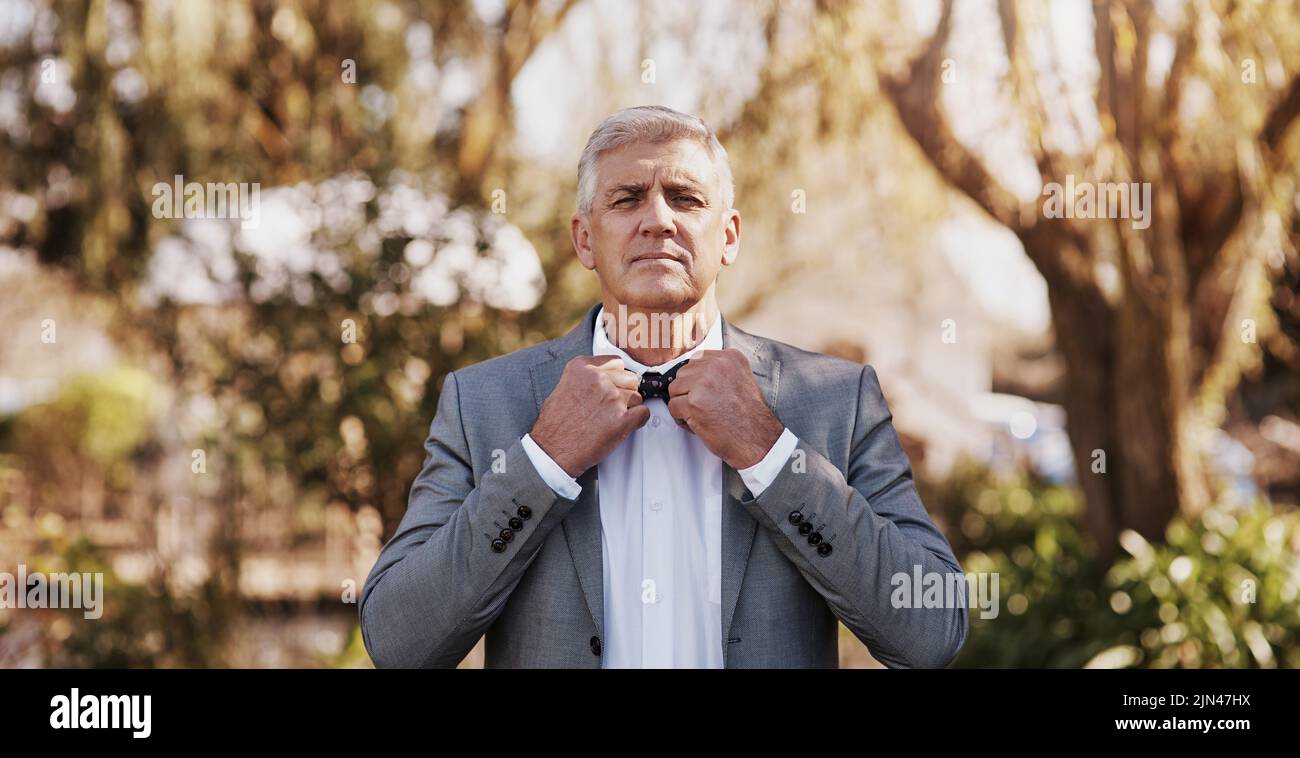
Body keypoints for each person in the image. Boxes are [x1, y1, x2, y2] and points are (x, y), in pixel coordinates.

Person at [359, 105, 967, 668]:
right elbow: (398, 640)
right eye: (627, 199)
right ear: (584, 239)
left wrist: (771, 452)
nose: (658, 220)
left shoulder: (838, 401)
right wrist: (542, 460)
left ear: (728, 236)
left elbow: (931, 629)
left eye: (685, 197)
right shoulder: (482, 403)